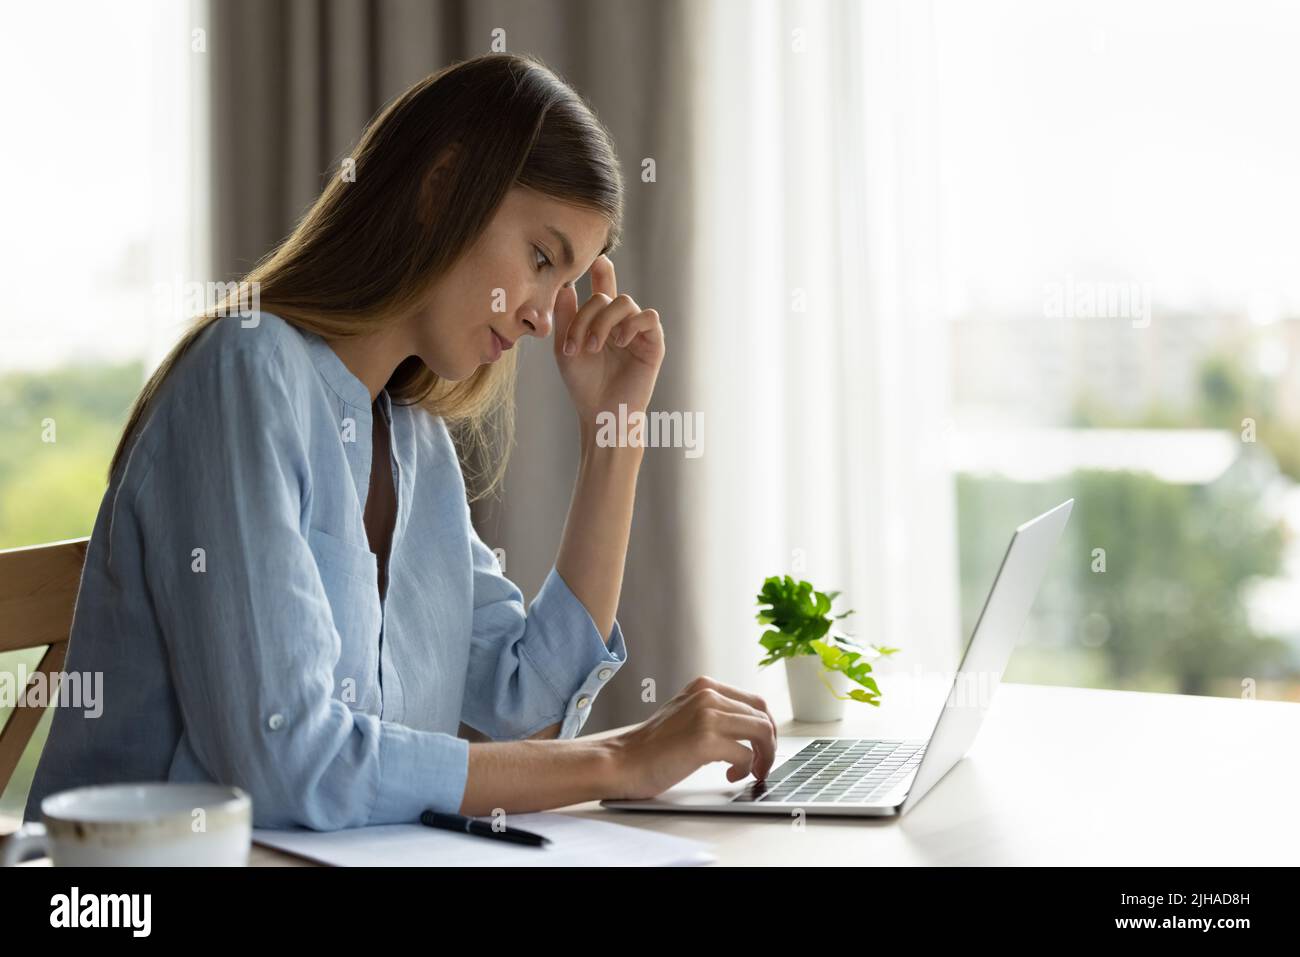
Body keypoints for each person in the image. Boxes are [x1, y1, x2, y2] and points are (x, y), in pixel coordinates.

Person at [24, 52, 776, 830]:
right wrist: (622, 759)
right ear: (443, 187)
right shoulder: (246, 372)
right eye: (542, 258)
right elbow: (287, 768)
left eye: (565, 283)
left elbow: (527, 716)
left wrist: (612, 431)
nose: (543, 317)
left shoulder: (414, 442)